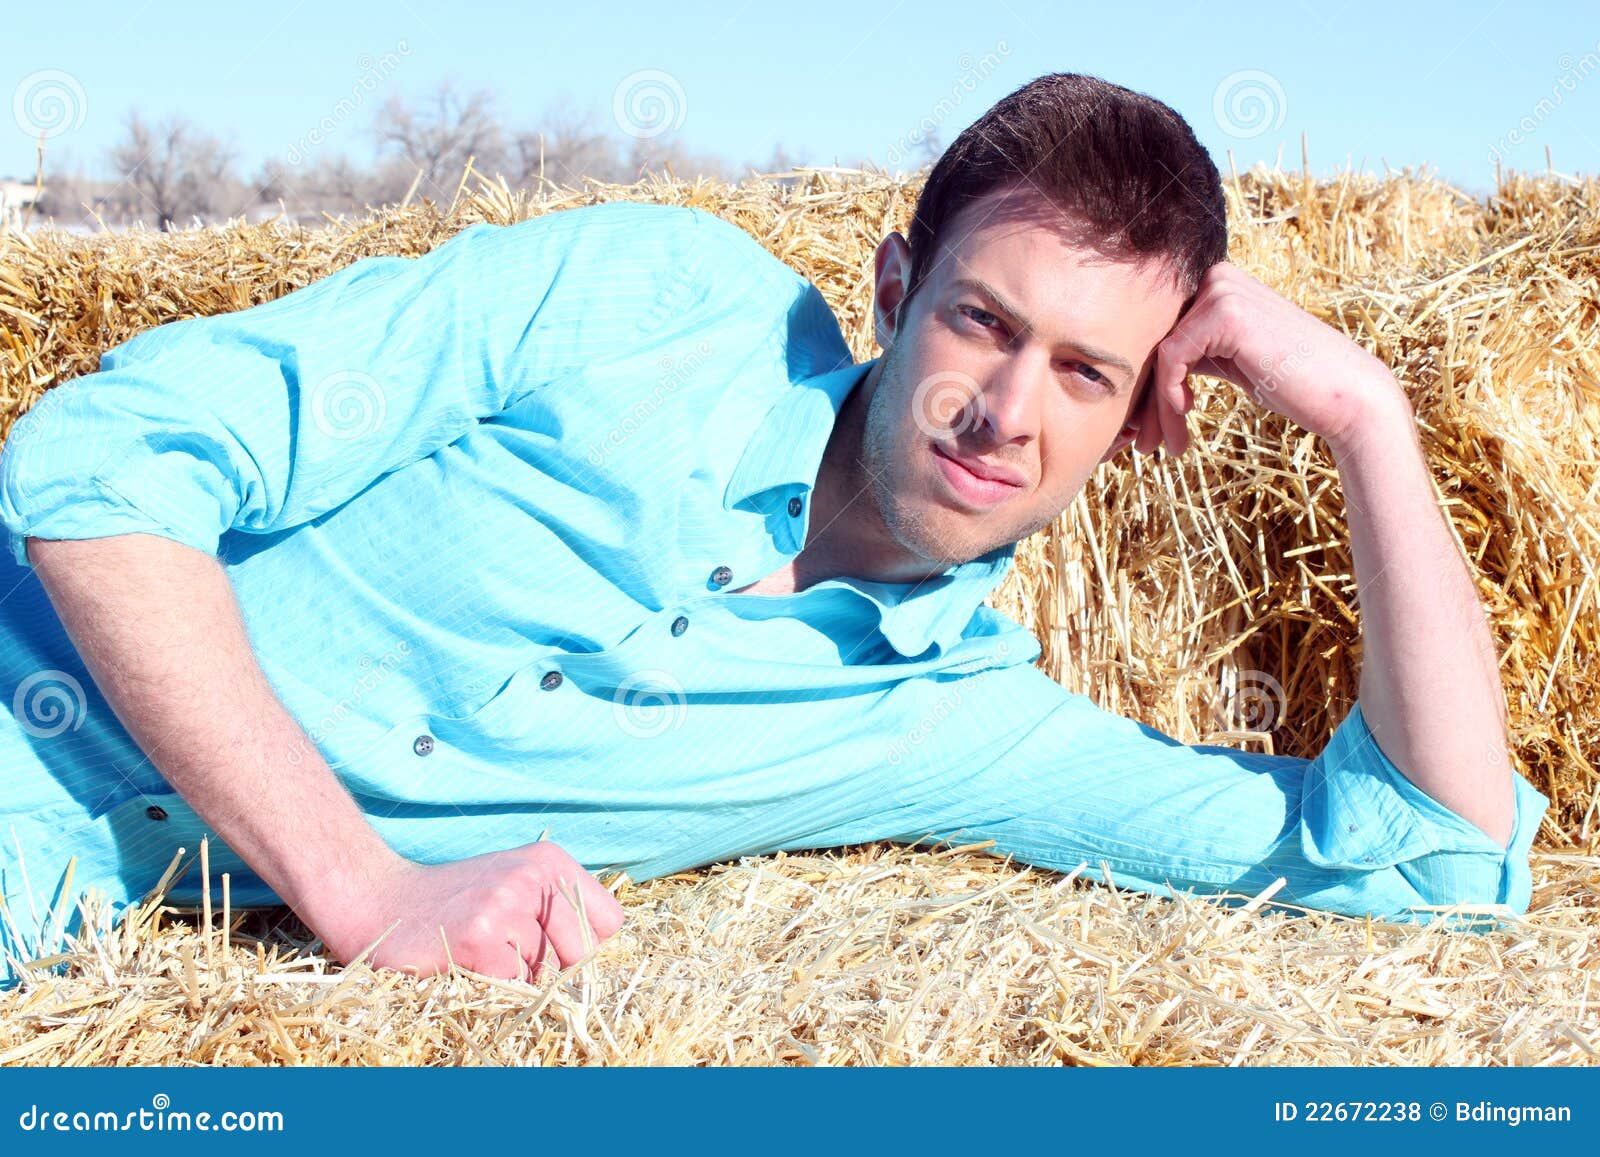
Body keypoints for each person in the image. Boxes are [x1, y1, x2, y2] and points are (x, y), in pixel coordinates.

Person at [0, 73, 1548, 989]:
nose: (1008, 410)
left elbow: (1426, 855)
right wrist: (366, 888)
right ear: (893, 293)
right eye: (981, 323)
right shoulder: (642, 300)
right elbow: (97, 466)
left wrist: (1368, 422)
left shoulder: (955, 724)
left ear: (1147, 414)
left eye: (1085, 371)